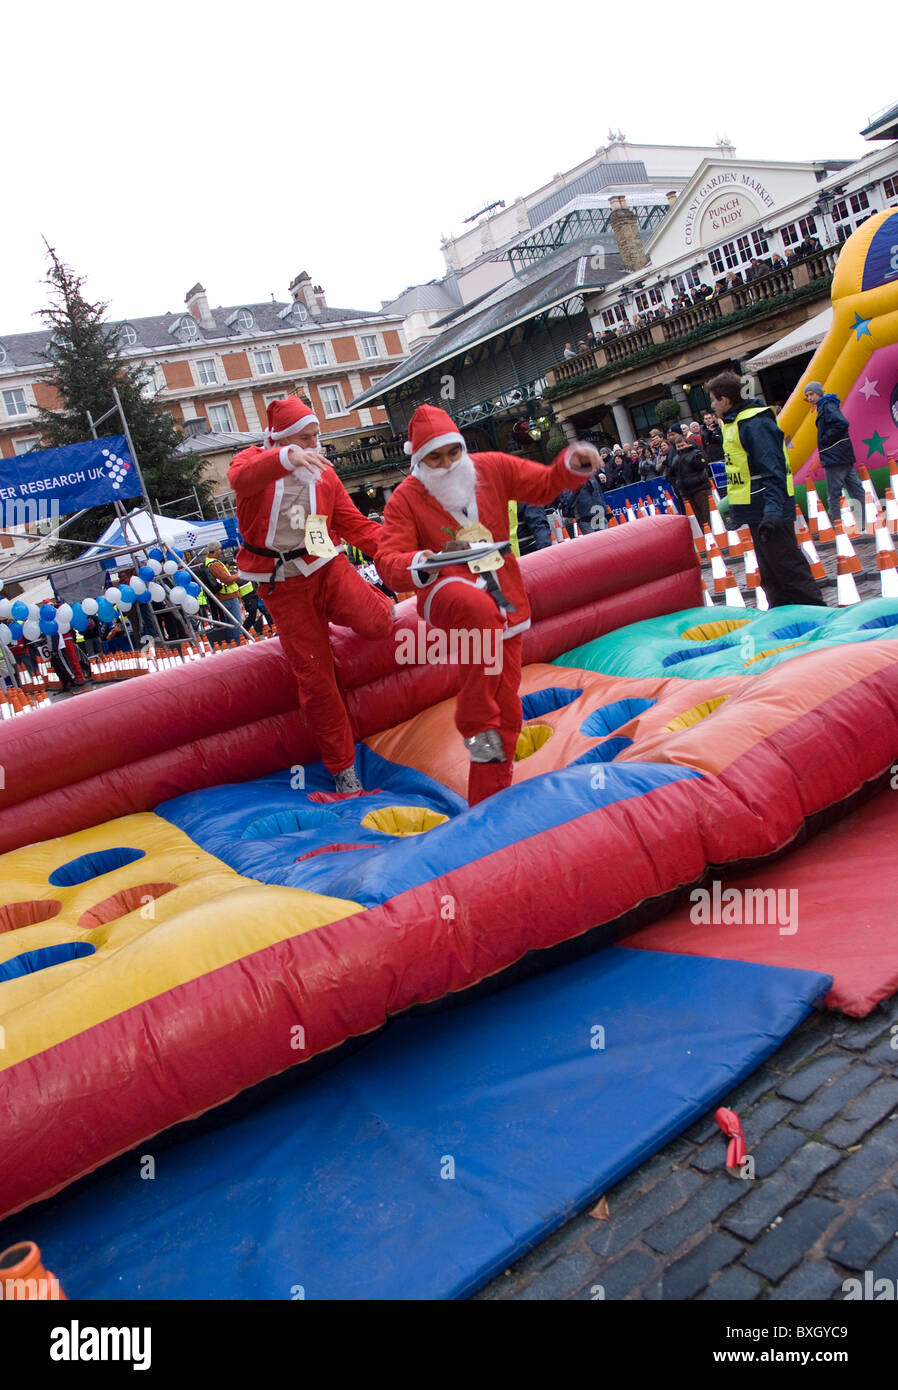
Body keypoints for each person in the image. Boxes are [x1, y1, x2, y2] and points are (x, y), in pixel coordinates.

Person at [375, 404, 601, 805]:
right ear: (418, 460)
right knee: (477, 622)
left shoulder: (491, 468)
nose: (445, 464)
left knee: (507, 712)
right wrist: (421, 562)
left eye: (452, 453)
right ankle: (472, 715)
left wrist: (573, 463)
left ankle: (488, 797)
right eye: (434, 457)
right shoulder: (406, 499)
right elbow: (388, 560)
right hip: (448, 592)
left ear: (462, 449)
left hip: (503, 601)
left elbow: (545, 484)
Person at [228, 395, 393, 793]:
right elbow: (241, 479)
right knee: (316, 680)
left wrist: (401, 548)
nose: (313, 446)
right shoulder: (253, 461)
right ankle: (343, 769)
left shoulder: (325, 474)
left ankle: (351, 605)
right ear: (282, 440)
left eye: (316, 437)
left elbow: (355, 526)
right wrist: (286, 458)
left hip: (325, 563)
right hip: (283, 583)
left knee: (379, 622)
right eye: (305, 438)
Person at [706, 370, 825, 607]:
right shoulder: (735, 423)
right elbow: (744, 474)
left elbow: (772, 469)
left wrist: (772, 511)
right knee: (771, 575)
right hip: (758, 509)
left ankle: (819, 615)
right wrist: (740, 513)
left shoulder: (754, 423)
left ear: (725, 399)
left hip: (771, 508)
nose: (711, 406)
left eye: (713, 400)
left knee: (790, 569)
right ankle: (784, 621)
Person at [803, 381, 866, 526]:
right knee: (855, 488)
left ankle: (837, 524)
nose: (810, 398)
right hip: (841, 454)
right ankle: (866, 518)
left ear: (819, 393)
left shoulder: (827, 406)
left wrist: (826, 439)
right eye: (807, 396)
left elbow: (842, 423)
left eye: (811, 394)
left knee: (834, 493)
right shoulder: (825, 405)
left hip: (834, 456)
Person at [669, 433, 712, 529]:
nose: (681, 448)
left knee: (706, 516)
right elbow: (671, 473)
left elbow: (700, 466)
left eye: (682, 445)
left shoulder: (696, 453)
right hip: (686, 491)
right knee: (696, 518)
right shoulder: (675, 459)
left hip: (700, 488)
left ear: (687, 444)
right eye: (678, 446)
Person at [202, 542, 243, 636]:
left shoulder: (209, 562)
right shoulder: (214, 564)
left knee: (231, 623)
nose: (221, 551)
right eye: (219, 549)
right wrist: (240, 574)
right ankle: (239, 643)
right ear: (216, 550)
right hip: (228, 596)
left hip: (225, 595)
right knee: (236, 624)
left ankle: (235, 642)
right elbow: (227, 579)